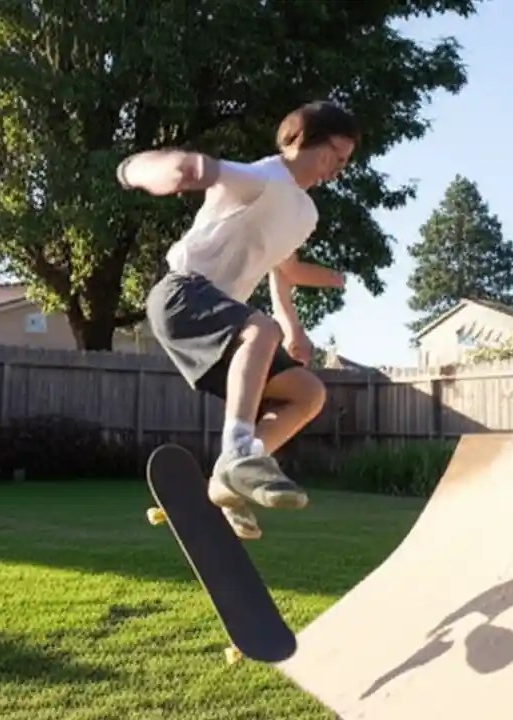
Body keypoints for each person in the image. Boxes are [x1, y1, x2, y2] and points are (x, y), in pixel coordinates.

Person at [116, 100, 359, 540]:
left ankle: (227, 478)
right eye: (333, 156)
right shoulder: (259, 178)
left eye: (342, 163)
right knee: (258, 329)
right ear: (300, 139)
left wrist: (296, 324)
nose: (334, 169)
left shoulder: (305, 213)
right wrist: (136, 169)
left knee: (307, 393)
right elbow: (197, 171)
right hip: (181, 296)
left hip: (221, 317)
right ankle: (239, 454)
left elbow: (283, 269)